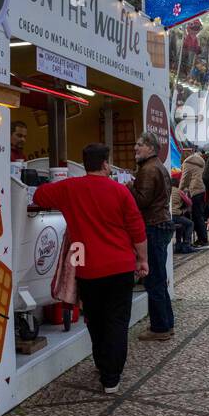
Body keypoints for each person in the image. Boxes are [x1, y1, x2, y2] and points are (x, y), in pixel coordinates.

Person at [33, 144, 148, 392]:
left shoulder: (69, 188)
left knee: (95, 320)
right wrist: (142, 260)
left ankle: (103, 364)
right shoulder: (119, 191)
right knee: (117, 320)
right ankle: (112, 376)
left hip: (87, 267)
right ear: (105, 164)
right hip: (120, 266)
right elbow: (136, 229)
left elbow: (39, 195)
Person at [128, 132, 176, 342]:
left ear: (150, 147)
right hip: (162, 224)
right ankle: (166, 323)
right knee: (158, 278)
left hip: (154, 226)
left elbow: (141, 201)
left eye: (139, 145)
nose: (135, 148)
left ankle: (160, 328)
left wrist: (128, 186)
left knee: (153, 279)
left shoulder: (148, 169)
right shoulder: (157, 166)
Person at [181, 147, 209, 247]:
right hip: (203, 189)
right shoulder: (201, 161)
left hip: (195, 190)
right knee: (200, 216)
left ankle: (203, 240)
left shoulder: (187, 163)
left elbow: (184, 178)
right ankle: (202, 238)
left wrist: (179, 190)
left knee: (197, 216)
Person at [169, 172, 203, 255]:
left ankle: (178, 245)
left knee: (181, 225)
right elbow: (189, 202)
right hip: (175, 215)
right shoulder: (179, 191)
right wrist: (185, 209)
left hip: (168, 216)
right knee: (190, 223)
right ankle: (186, 245)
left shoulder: (167, 190)